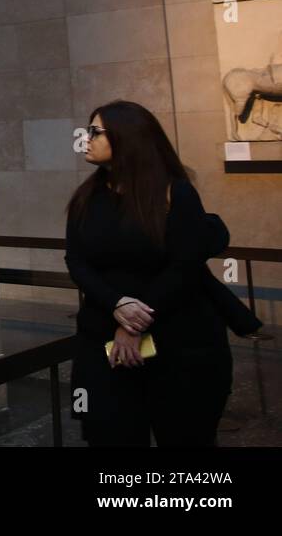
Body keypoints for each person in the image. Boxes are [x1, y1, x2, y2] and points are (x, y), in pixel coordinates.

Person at [64, 100, 260, 447]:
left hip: (181, 342)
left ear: (127, 138)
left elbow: (184, 267)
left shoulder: (175, 193)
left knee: (187, 437)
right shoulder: (86, 197)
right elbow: (77, 261)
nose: (86, 139)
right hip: (102, 342)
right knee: (108, 434)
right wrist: (116, 303)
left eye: (95, 132)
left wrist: (132, 324)